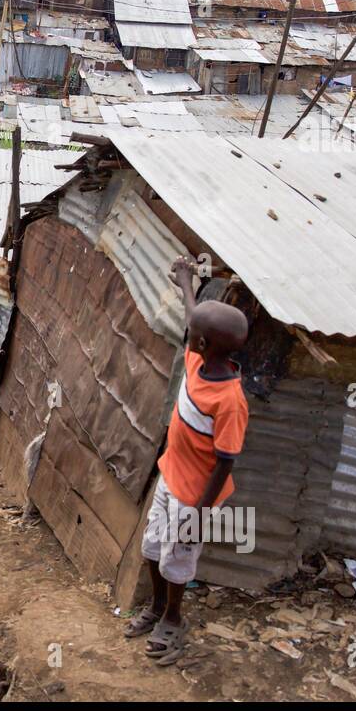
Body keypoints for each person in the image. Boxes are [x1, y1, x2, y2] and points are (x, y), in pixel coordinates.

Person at [125, 255, 249, 666]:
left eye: (192, 333)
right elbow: (195, 314)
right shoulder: (199, 357)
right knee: (152, 548)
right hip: (170, 476)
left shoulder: (230, 401)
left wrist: (199, 512)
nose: (188, 330)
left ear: (203, 343)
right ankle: (158, 606)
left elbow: (226, 461)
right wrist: (183, 279)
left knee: (178, 560)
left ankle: (174, 619)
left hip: (195, 494)